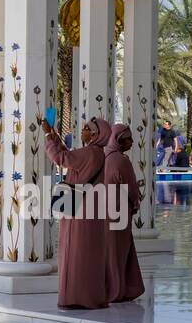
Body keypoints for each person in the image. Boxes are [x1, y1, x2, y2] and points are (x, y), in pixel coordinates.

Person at [41, 114, 112, 309]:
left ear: (96, 134)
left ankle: (75, 296)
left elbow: (61, 158)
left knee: (76, 250)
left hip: (79, 208)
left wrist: (48, 136)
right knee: (88, 251)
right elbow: (71, 158)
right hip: (89, 207)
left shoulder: (90, 153)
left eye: (87, 129)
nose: (83, 131)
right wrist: (55, 138)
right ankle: (90, 295)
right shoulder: (96, 153)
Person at [103, 122, 145, 303]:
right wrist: (135, 204)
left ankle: (108, 288)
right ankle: (118, 290)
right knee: (119, 252)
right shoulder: (121, 160)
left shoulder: (103, 157)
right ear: (120, 140)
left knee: (109, 251)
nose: (132, 142)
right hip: (119, 211)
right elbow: (131, 189)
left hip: (102, 211)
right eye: (129, 139)